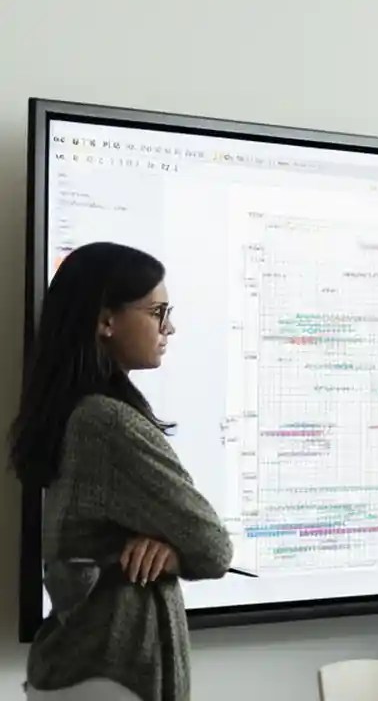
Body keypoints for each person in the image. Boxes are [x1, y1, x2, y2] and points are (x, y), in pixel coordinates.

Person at [11, 242, 234, 701]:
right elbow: (213, 548)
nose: (170, 326)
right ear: (105, 320)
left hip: (79, 671)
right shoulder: (107, 423)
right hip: (112, 679)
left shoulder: (75, 411)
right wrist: (179, 553)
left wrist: (168, 548)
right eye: (158, 311)